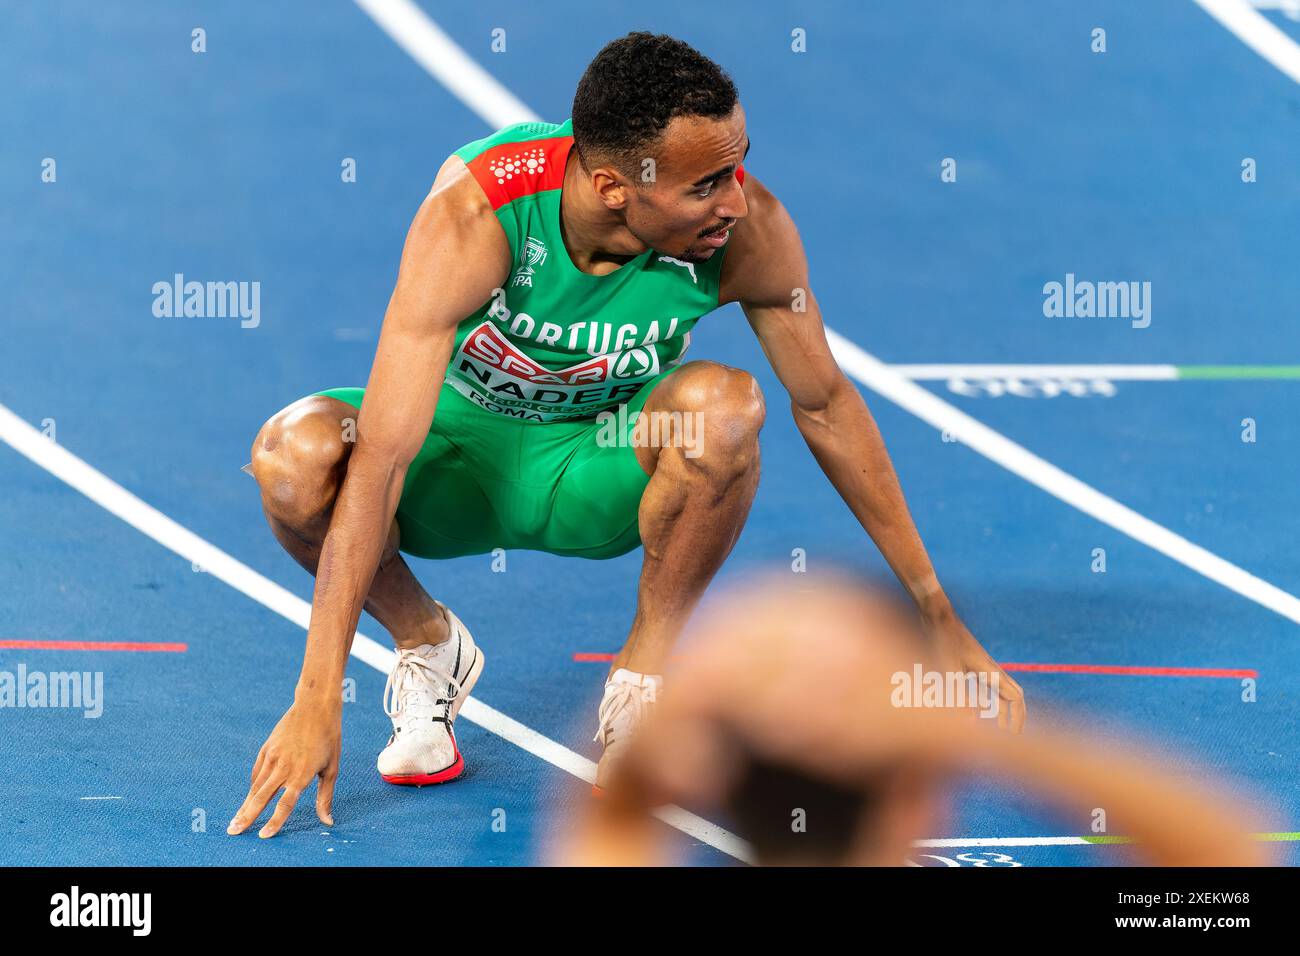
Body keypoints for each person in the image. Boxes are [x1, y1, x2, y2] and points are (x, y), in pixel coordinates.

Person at [227, 32, 1022, 839]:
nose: (736, 202)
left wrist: (936, 613)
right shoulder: (477, 217)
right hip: (456, 458)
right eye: (706, 184)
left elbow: (826, 406)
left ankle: (641, 683)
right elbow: (388, 456)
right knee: (292, 460)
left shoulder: (749, 234)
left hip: (598, 465)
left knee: (725, 406)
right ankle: (428, 644)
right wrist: (319, 694)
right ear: (614, 186)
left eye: (738, 168)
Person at [559, 573, 1274, 867]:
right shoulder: (940, 750)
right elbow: (1227, 861)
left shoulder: (651, 788)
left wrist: (641, 770)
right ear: (927, 781)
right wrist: (971, 734)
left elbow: (609, 827)